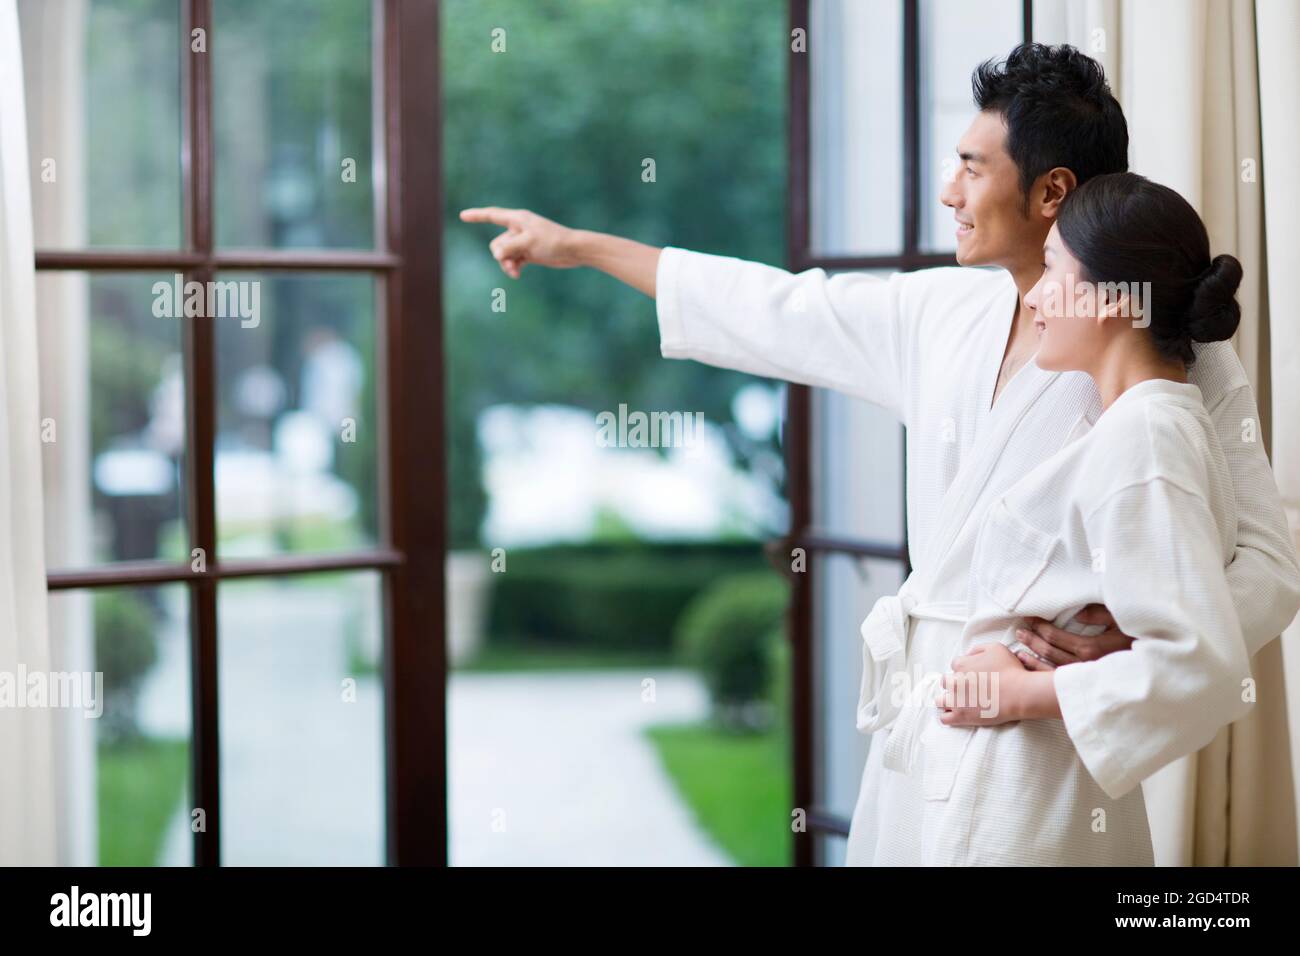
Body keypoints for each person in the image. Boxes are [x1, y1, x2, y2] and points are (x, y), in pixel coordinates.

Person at [460, 44, 1300, 863]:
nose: (949, 193)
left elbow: (1267, 558)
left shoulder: (1166, 344)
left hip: (1043, 750)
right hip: (926, 720)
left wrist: (1129, 636)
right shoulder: (941, 314)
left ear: (1052, 191)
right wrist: (581, 247)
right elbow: (772, 308)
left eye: (973, 168)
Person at [872, 172, 1255, 864]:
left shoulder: (1147, 439)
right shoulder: (1133, 426)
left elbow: (1202, 667)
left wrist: (1020, 691)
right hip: (1011, 788)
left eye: (1052, 271)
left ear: (1112, 300)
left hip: (1028, 804)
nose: (1036, 296)